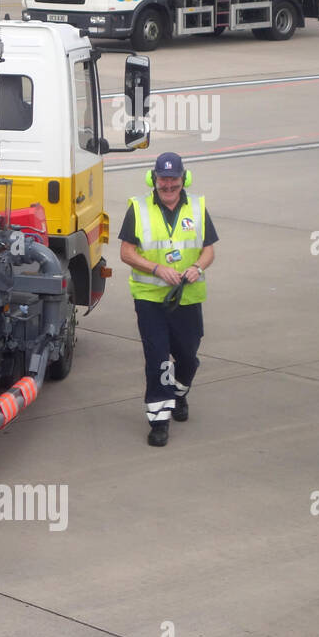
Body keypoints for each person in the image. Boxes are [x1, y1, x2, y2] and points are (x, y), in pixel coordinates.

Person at [118, 152, 218, 446]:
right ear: (154, 178)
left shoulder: (198, 207)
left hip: (187, 297)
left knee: (187, 355)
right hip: (150, 299)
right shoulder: (138, 208)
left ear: (184, 178)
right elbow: (126, 252)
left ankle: (179, 393)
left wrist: (197, 267)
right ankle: (159, 420)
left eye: (174, 179)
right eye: (163, 178)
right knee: (158, 358)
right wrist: (157, 269)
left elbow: (209, 250)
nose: (169, 185)